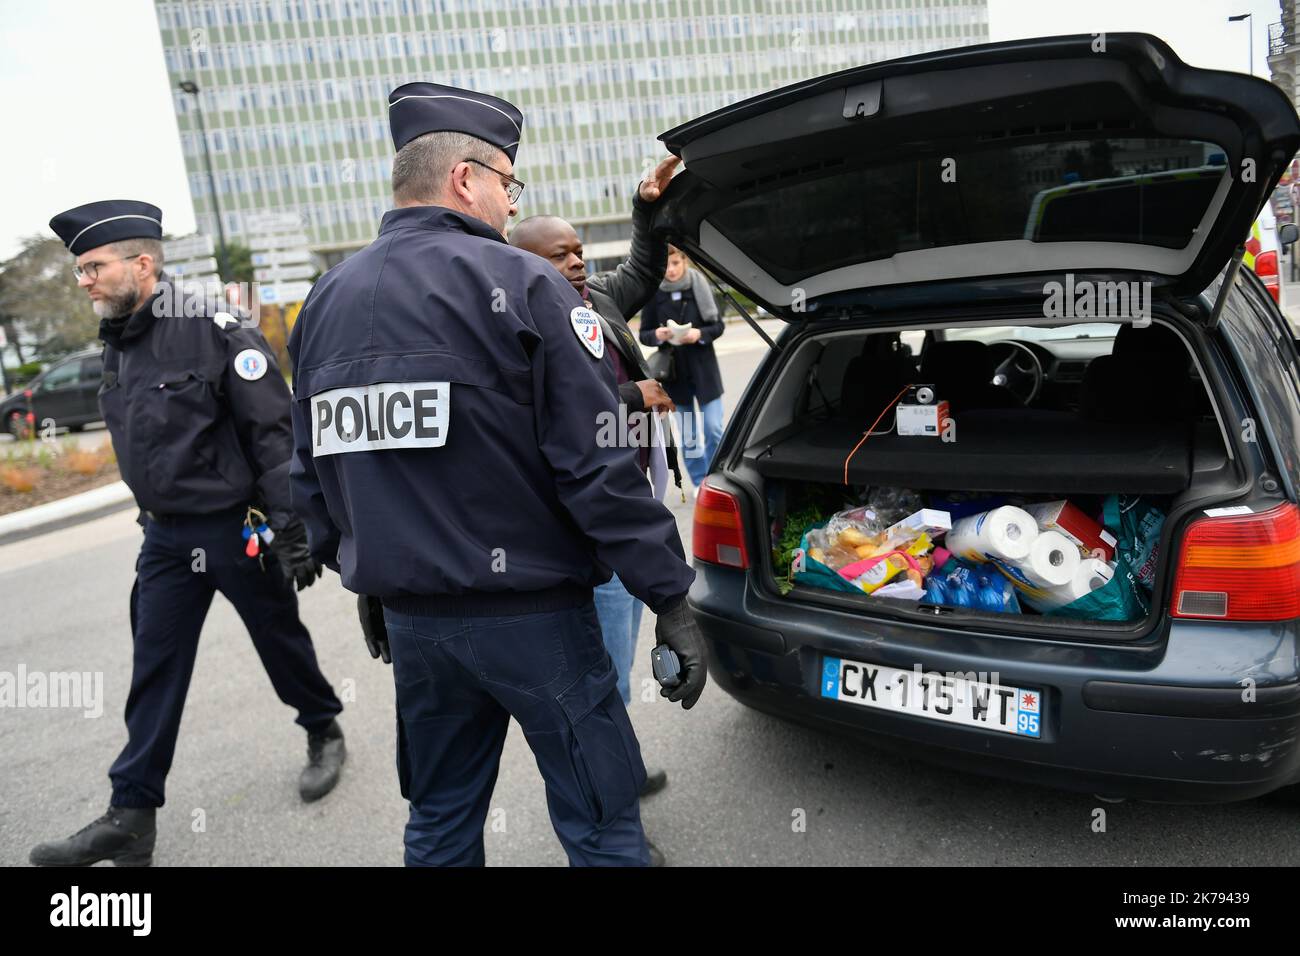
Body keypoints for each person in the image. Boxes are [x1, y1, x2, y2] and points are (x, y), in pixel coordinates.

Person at [288, 82, 707, 867]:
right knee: (601, 824)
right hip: (535, 619)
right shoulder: (524, 286)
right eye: (509, 185)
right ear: (464, 179)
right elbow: (598, 465)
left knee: (441, 826)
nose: (512, 206)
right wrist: (670, 594)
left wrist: (366, 572)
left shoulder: (324, 303)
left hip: (414, 628)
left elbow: (311, 468)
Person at [30, 201, 345, 868]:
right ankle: (132, 814)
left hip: (235, 530)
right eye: (78, 269)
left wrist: (292, 523)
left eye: (93, 267)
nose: (82, 280)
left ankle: (322, 726)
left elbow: (271, 431)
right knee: (155, 668)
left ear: (141, 264)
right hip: (166, 540)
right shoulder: (117, 342)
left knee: (279, 641)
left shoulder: (214, 327)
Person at [508, 155, 681, 811]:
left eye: (578, 251)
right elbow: (545, 415)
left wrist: (644, 209)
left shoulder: (596, 301)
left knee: (612, 667)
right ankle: (613, 812)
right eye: (559, 256)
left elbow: (641, 265)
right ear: (522, 264)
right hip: (580, 532)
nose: (576, 263)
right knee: (599, 676)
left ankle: (624, 770)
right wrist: (632, 396)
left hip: (625, 511)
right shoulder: (514, 323)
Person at [638, 246, 726, 494]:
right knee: (689, 436)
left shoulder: (699, 285)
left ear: (684, 261)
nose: (672, 270)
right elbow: (644, 334)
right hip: (675, 374)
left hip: (704, 368)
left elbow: (717, 325)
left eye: (676, 263)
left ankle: (716, 477)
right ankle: (700, 482)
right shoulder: (655, 294)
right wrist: (658, 334)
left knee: (713, 429)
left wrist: (700, 334)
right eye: (667, 265)